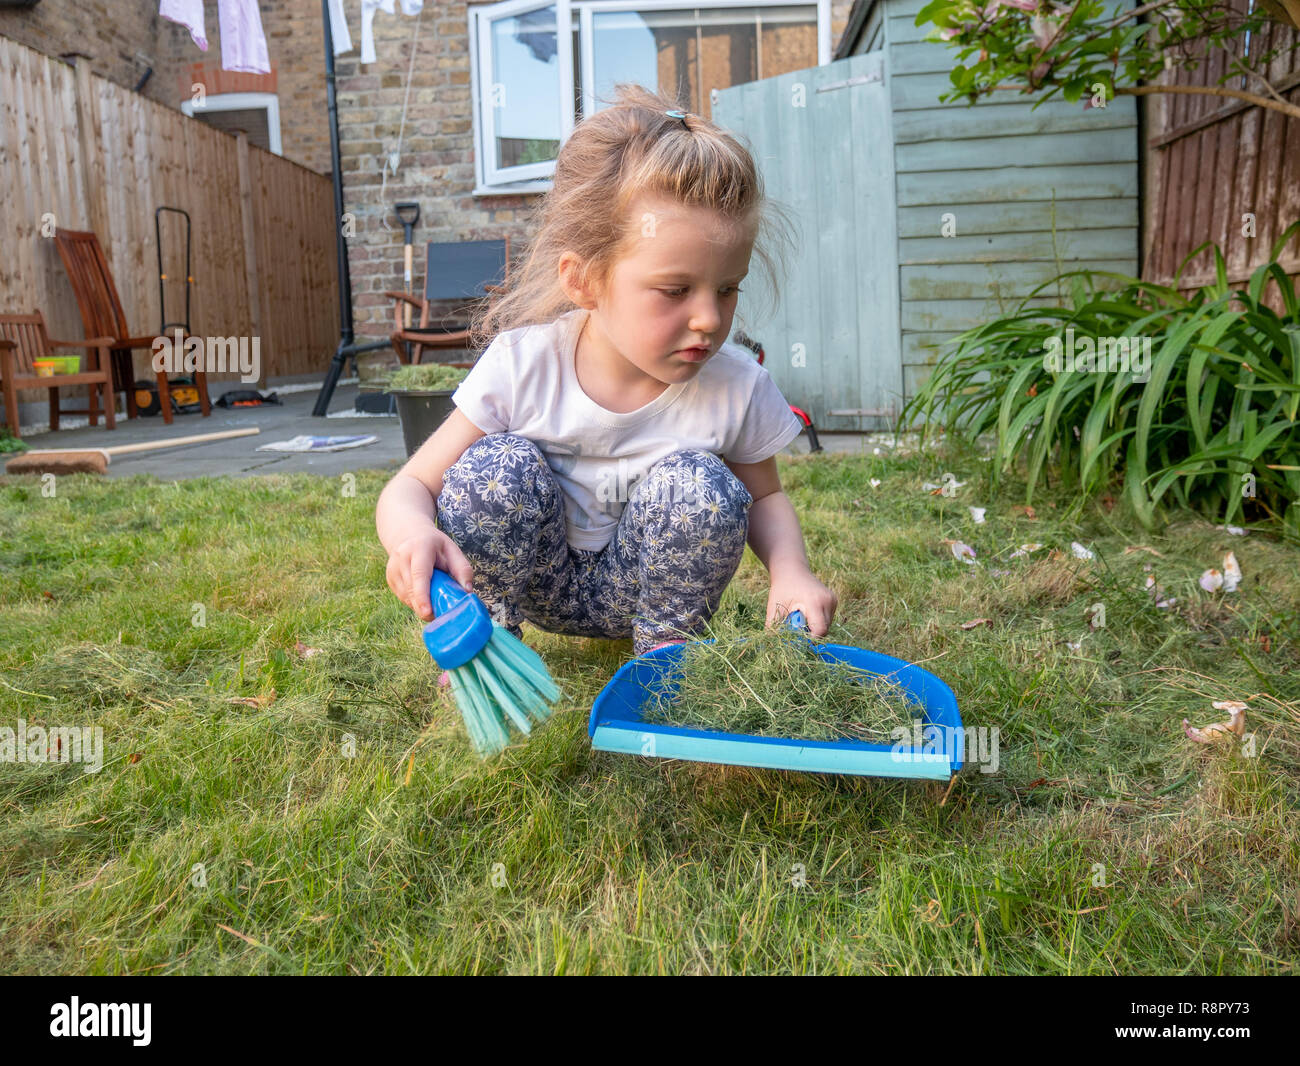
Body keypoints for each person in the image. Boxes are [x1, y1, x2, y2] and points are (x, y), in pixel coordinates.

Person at [376, 84, 838, 658]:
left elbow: (765, 498)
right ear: (584, 280)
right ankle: (488, 641)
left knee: (704, 486)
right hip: (537, 579)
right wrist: (413, 534)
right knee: (493, 469)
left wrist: (790, 571)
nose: (709, 318)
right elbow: (413, 485)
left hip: (645, 586)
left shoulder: (735, 385)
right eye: (674, 290)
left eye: (727, 288)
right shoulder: (525, 366)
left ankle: (666, 655)